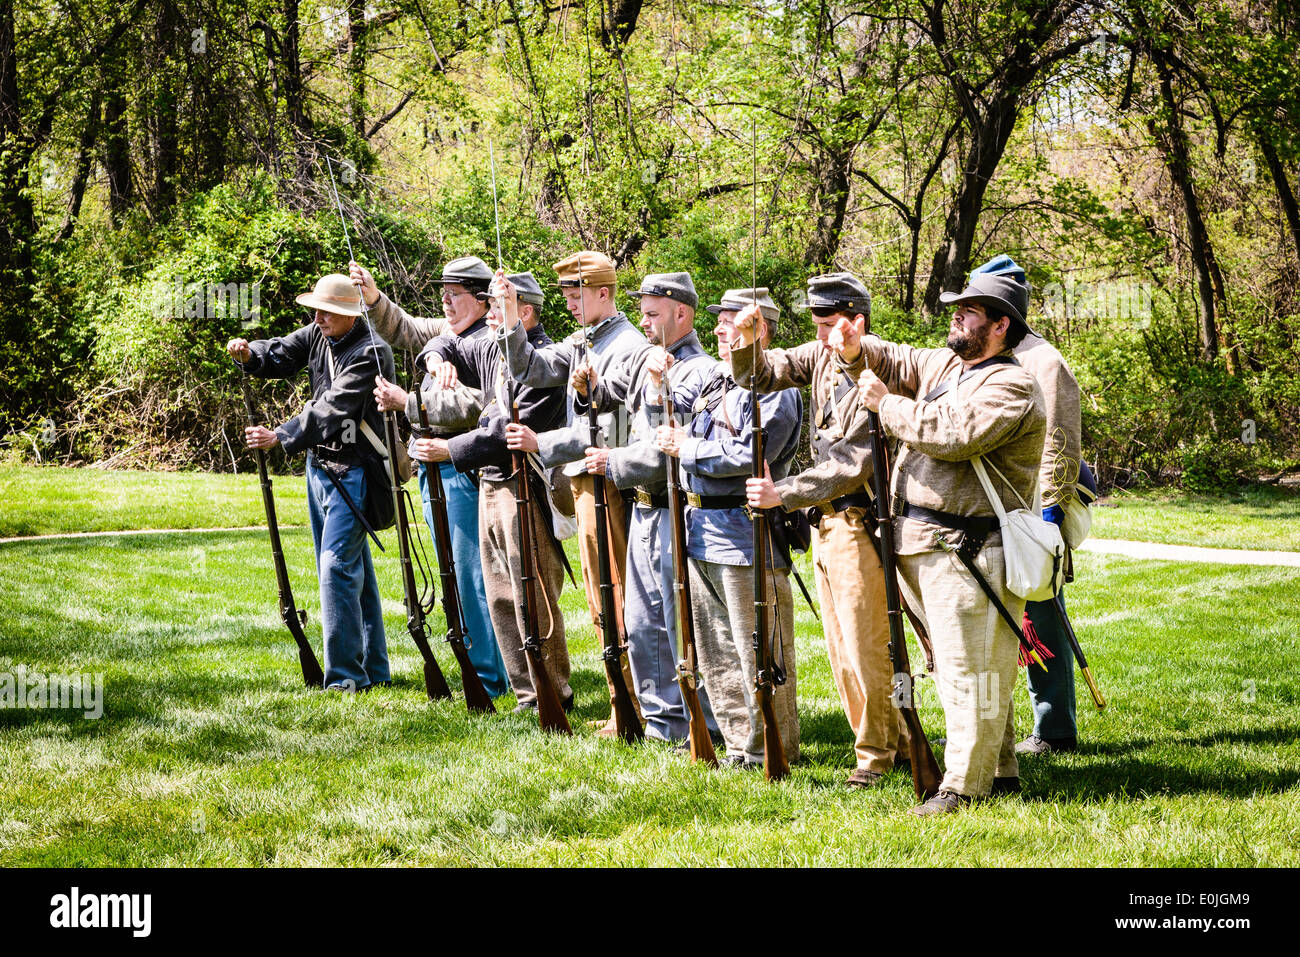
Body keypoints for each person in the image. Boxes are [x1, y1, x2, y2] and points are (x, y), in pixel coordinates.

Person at [852, 260, 1047, 814]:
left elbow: (952, 435)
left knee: (970, 673)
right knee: (968, 668)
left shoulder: (1012, 384)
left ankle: (962, 786)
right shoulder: (954, 370)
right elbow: (902, 358)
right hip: (928, 544)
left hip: (968, 551)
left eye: (968, 312)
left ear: (1001, 325)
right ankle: (1000, 770)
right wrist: (852, 339)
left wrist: (885, 405)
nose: (956, 319)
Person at [737, 273, 908, 787]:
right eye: (816, 325)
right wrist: (747, 343)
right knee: (840, 650)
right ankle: (882, 741)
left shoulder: (875, 365)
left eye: (831, 325)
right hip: (826, 523)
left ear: (857, 321)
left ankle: (879, 751)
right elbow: (764, 374)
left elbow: (853, 463)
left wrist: (783, 492)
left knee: (868, 645)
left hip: (860, 519)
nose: (821, 336)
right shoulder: (819, 355)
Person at [496, 251, 649, 736]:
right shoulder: (585, 341)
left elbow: (616, 429)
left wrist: (545, 442)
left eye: (576, 295)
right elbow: (529, 367)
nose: (568, 305)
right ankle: (619, 702)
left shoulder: (626, 345)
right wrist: (508, 315)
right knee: (602, 600)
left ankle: (637, 705)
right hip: (585, 485)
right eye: (563, 296)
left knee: (618, 596)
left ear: (604, 293)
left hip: (611, 486)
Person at [656, 288, 802, 768]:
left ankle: (774, 746)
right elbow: (673, 425)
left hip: (746, 531)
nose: (716, 328)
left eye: (728, 321)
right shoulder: (715, 380)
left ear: (757, 328)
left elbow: (748, 456)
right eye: (717, 321)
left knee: (759, 648)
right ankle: (741, 744)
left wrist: (688, 450)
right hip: (701, 527)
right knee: (717, 648)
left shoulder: (777, 388)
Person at [415, 271, 573, 713]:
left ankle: (554, 691)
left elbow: (510, 429)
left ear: (524, 311)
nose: (487, 313)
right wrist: (435, 358)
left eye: (498, 304)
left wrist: (450, 448)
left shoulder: (541, 357)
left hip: (526, 484)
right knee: (502, 593)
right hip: (490, 482)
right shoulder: (493, 346)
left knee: (532, 593)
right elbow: (447, 341)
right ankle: (527, 692)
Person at [227, 273, 392, 693]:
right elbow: (280, 353)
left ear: (349, 313)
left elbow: (333, 409)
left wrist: (279, 435)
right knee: (351, 569)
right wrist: (250, 354)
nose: (318, 317)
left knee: (335, 568)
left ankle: (345, 679)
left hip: (355, 470)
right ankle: (374, 668)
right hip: (320, 466)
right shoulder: (319, 332)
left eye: (327, 311)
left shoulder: (371, 350)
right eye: (316, 310)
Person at [574, 272, 718, 743]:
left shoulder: (700, 370)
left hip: (675, 506)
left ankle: (708, 724)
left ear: (682, 313)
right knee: (641, 621)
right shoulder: (647, 359)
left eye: (653, 313)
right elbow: (605, 395)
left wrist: (611, 459)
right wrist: (585, 386)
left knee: (682, 622)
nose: (643, 320)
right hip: (640, 507)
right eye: (642, 311)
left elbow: (662, 449)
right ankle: (662, 722)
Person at [359, 256, 510, 698]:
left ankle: (489, 677)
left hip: (463, 471)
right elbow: (403, 328)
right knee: (452, 576)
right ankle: (479, 668)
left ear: (482, 301)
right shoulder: (447, 335)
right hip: (432, 469)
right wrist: (372, 296)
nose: (444, 300)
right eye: (441, 292)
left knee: (472, 577)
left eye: (454, 294)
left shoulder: (491, 342)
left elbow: (476, 404)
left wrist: (408, 402)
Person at [991, 257, 1084, 755]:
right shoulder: (988, 354)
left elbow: (1061, 441)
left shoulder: (1043, 360)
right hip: (993, 507)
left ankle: (1054, 730)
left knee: (1040, 620)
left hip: (1033, 512)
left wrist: (1049, 512)